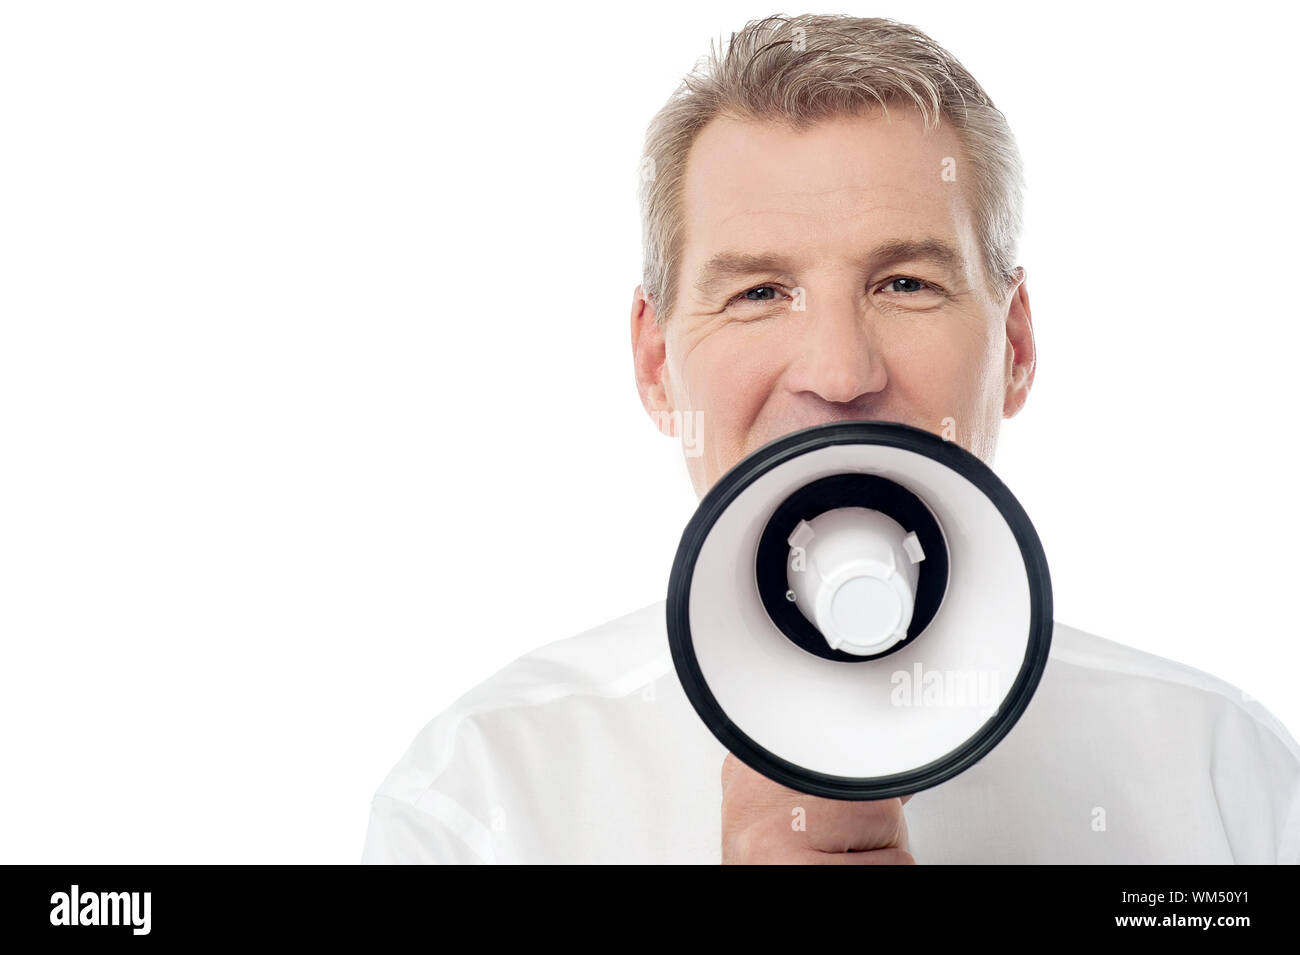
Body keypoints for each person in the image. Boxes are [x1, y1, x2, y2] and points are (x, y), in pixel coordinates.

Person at [360, 13, 1300, 864]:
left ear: (1015, 343)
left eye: (905, 284)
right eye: (759, 293)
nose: (840, 372)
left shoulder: (1219, 775)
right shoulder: (483, 795)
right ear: (655, 362)